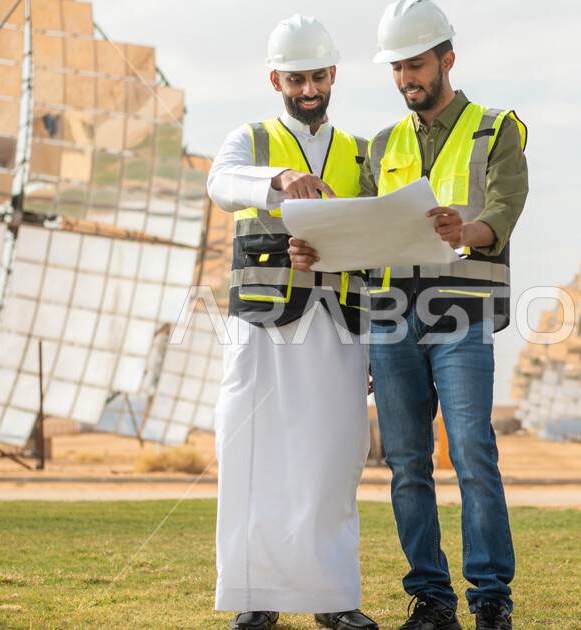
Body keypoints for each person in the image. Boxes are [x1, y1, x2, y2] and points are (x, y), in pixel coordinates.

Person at [206, 15, 378, 630]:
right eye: (296, 79)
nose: (309, 89)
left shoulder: (364, 152)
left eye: (318, 77)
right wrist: (277, 181)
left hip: (339, 324)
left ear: (333, 75)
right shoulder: (248, 140)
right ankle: (256, 597)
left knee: (333, 461)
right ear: (276, 78)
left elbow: (379, 238)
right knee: (251, 455)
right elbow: (221, 184)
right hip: (262, 325)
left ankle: (333, 599)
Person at [367, 1, 527, 628]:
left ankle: (491, 597)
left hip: (462, 316)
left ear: (447, 59)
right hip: (391, 320)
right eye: (398, 68)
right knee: (406, 462)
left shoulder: (495, 129)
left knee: (470, 451)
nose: (408, 78)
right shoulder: (381, 145)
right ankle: (432, 599)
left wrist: (467, 229)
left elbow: (505, 213)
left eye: (417, 65)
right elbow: (365, 235)